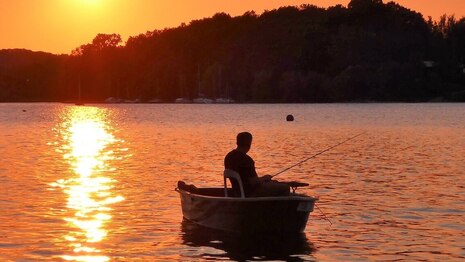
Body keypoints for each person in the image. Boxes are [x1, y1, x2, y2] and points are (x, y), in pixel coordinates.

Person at [224, 132, 290, 197]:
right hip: (251, 192)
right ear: (249, 144)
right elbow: (253, 181)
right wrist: (264, 178)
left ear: (237, 142)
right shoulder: (247, 160)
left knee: (274, 182)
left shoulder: (228, 157)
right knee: (285, 187)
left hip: (237, 192)